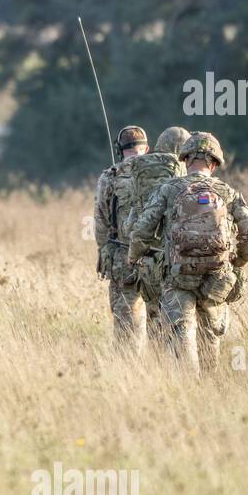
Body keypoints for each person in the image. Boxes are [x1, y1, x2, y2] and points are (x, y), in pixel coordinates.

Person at [128, 132, 248, 373]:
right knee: (210, 337)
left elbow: (141, 231)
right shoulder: (227, 192)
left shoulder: (168, 189)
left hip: (178, 278)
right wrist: (234, 262)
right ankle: (209, 391)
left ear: (186, 160)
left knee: (182, 334)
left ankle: (190, 388)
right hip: (217, 279)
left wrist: (134, 256)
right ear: (214, 163)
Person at [122, 126, 192, 349]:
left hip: (149, 261)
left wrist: (134, 253)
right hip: (179, 260)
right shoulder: (187, 176)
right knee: (182, 321)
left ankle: (157, 371)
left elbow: (131, 225)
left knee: (154, 319)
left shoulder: (142, 171)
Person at [94, 125, 151, 351]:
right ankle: (162, 367)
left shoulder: (109, 176)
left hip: (122, 256)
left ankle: (129, 368)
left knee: (126, 321)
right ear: (146, 149)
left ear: (120, 149)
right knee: (159, 317)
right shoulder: (161, 175)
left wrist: (103, 251)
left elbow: (100, 220)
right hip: (154, 257)